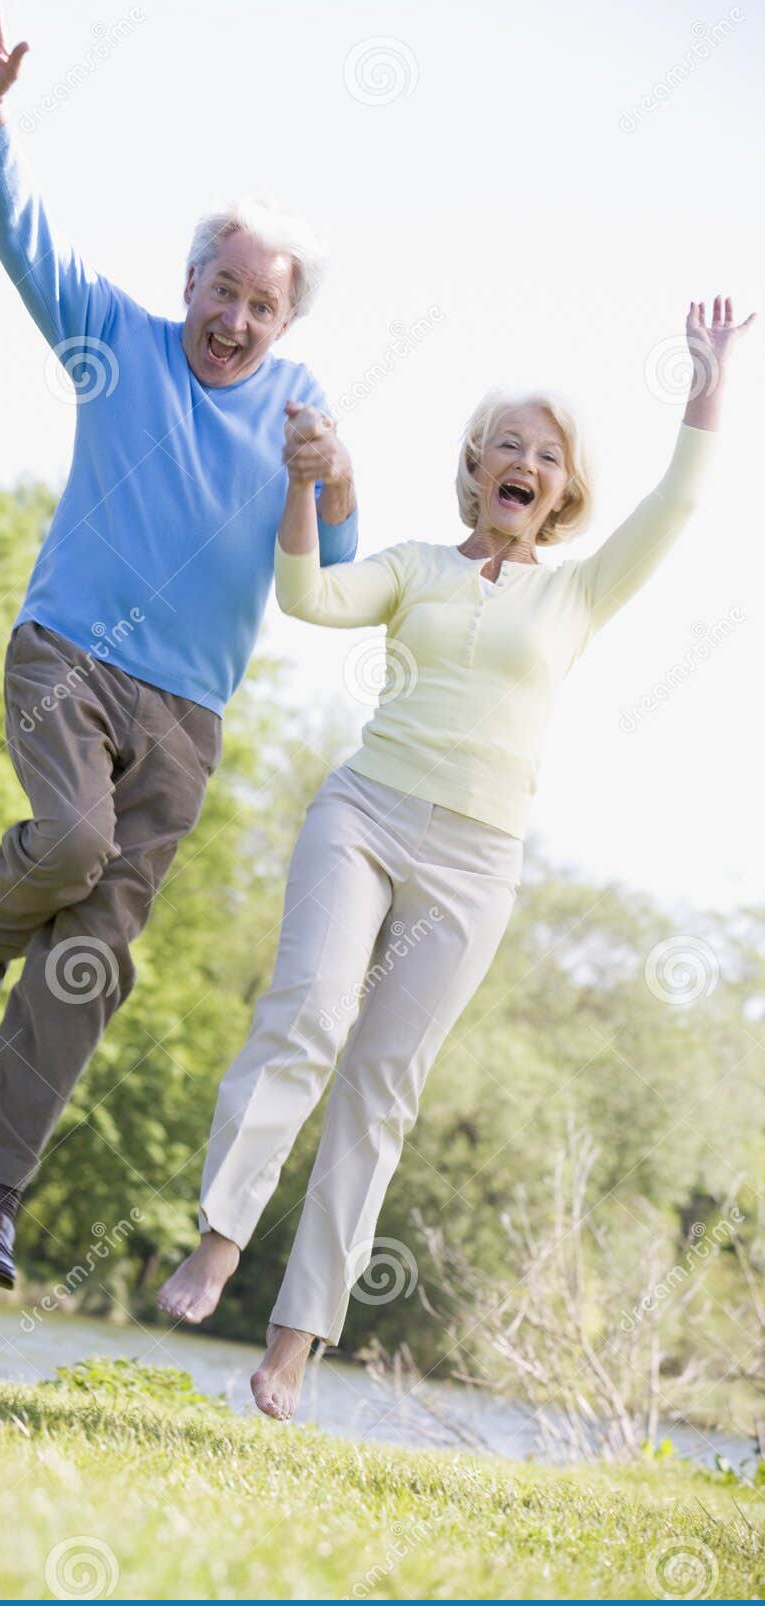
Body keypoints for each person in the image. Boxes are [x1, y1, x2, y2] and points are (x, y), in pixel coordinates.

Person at [158, 298, 755, 1420]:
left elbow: (678, 502)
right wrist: (302, 486)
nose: (523, 463)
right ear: (476, 466)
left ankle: (293, 1343)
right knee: (306, 1015)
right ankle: (220, 1238)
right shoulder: (414, 567)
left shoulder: (576, 593)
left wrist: (706, 380)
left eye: (546, 455)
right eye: (505, 445)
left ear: (561, 491)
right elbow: (307, 595)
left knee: (379, 1089)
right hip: (363, 817)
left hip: (475, 863)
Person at [0, 0, 358, 1288]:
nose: (234, 318)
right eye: (221, 290)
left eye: (260, 305)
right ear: (187, 286)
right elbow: (24, 237)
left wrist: (335, 481)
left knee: (91, 954)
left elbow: (331, 576)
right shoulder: (114, 341)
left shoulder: (299, 412)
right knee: (69, 843)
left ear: (283, 323)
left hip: (187, 718)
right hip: (67, 655)